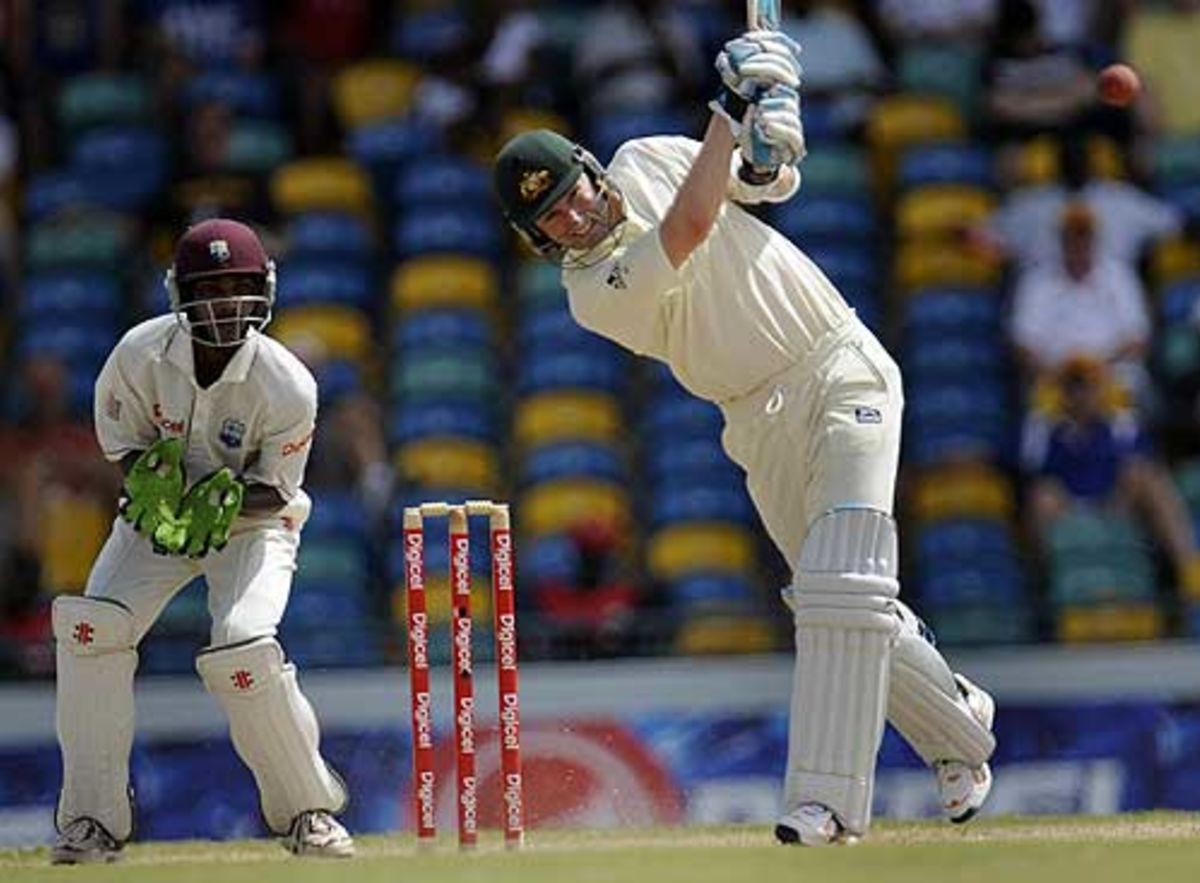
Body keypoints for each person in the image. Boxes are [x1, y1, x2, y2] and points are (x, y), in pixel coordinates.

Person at [493, 31, 995, 845]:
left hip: (838, 367)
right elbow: (690, 226)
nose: (576, 213)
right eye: (553, 216)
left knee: (841, 584)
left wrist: (767, 146)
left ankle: (826, 803)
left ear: (589, 167)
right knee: (840, 597)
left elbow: (754, 183)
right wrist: (729, 109)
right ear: (542, 240)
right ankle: (961, 729)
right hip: (754, 422)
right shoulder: (591, 291)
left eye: (574, 191)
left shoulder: (646, 154)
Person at [50, 219, 353, 863]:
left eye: (239, 286)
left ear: (265, 289)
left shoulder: (288, 383)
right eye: (209, 288)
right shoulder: (137, 354)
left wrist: (228, 502)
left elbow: (278, 489)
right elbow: (123, 446)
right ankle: (90, 823)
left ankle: (308, 812)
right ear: (179, 293)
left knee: (244, 646)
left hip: (252, 529)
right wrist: (156, 492)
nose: (225, 303)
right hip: (152, 526)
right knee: (91, 632)